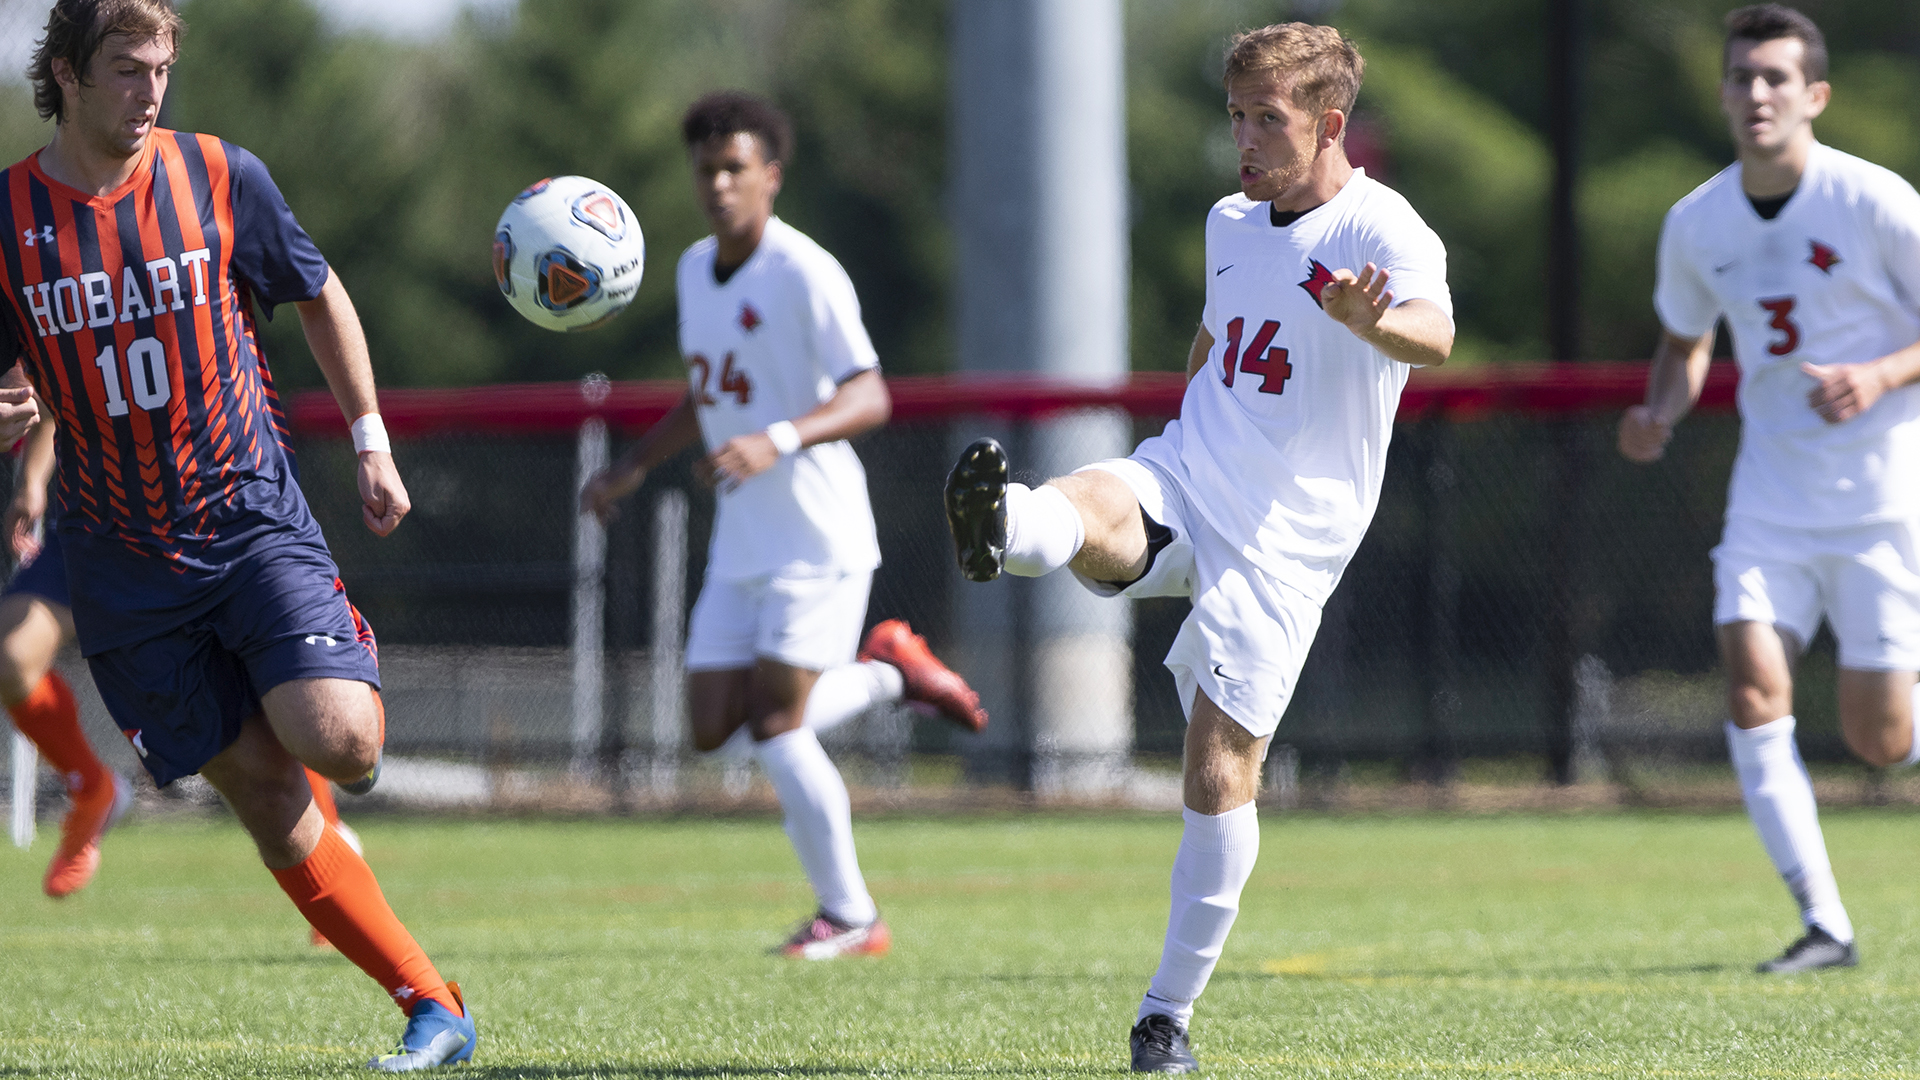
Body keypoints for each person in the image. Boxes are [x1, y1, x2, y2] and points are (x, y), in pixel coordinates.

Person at [945, 24, 1453, 1073]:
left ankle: (1165, 1013)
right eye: (1236, 116)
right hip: (1194, 468)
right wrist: (1191, 402)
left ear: (1330, 124)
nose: (1245, 139)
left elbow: (1435, 334)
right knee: (1094, 501)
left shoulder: (1383, 224)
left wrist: (1369, 322)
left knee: (1219, 769)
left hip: (1286, 540)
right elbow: (1217, 335)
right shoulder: (1230, 220)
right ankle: (1005, 524)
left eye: (1268, 118)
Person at [0, 1, 473, 1069]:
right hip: (120, 566)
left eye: (162, 68)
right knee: (263, 794)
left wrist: (372, 442)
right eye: (127, 69)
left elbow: (319, 292)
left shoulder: (220, 174)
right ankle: (432, 1004)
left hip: (250, 519)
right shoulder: (6, 219)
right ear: (66, 72)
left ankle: (319, 662)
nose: (151, 91)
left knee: (342, 744)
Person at [581, 91, 986, 960]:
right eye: (706, 170)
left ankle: (852, 915)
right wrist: (634, 465)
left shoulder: (805, 270)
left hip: (817, 535)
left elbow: (871, 394)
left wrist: (780, 437)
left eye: (735, 168)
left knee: (777, 727)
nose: (719, 184)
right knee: (709, 728)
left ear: (771, 175)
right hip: (743, 541)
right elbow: (709, 391)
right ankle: (887, 674)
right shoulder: (694, 270)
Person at [1619, 4, 1920, 975]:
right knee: (1751, 687)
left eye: (1777, 77)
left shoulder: (1874, 199)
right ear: (1723, 93)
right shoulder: (1696, 221)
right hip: (1771, 500)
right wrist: (1660, 411)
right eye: (1743, 76)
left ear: (1814, 94)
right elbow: (1685, 343)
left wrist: (1880, 374)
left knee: (1880, 739)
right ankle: (1825, 924)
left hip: (1883, 500)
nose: (1758, 93)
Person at [2, 410, 131, 898]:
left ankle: (328, 845)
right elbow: (53, 401)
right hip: (89, 527)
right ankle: (94, 789)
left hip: (193, 521)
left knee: (255, 678)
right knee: (9, 659)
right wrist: (32, 482)